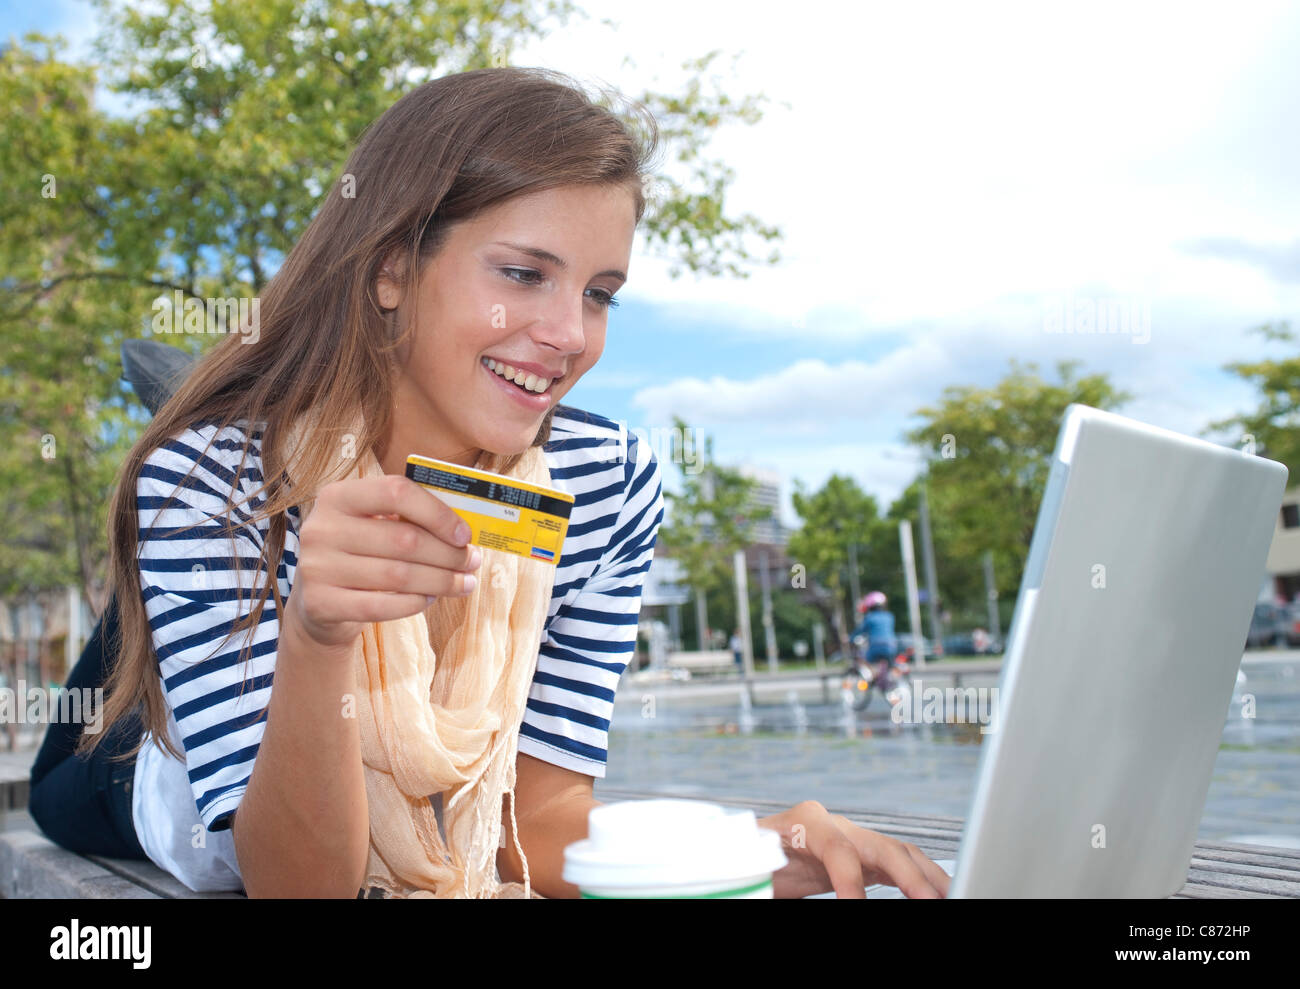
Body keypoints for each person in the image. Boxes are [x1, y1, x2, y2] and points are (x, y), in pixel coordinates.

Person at [29, 67, 948, 900]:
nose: (569, 335)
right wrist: (314, 630)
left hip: (383, 700)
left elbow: (536, 821)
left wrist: (751, 849)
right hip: (167, 763)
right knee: (70, 780)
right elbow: (300, 889)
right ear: (392, 267)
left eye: (599, 292)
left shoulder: (605, 482)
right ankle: (178, 554)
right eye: (523, 274)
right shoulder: (202, 478)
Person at [852, 591, 898, 681]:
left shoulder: (869, 617)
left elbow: (860, 631)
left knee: (862, 660)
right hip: (891, 647)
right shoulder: (889, 616)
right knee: (890, 664)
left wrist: (850, 638)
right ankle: (889, 678)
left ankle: (873, 677)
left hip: (875, 647)